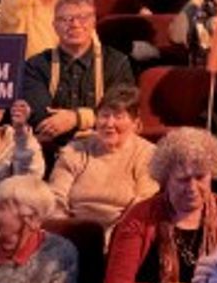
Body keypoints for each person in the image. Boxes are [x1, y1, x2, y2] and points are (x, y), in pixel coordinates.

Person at [104, 128, 217, 283]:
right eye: (182, 179)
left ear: (212, 174)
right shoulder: (139, 216)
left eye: (200, 177)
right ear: (166, 179)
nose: (192, 188)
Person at [21, 0, 137, 163]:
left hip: (107, 154)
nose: (74, 24)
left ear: (93, 22)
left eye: (82, 18)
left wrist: (76, 118)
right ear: (54, 26)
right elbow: (42, 120)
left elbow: (120, 113)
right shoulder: (35, 66)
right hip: (52, 157)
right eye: (65, 19)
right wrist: (91, 123)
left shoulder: (117, 63)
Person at [46, 85, 157, 224]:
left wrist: (115, 234)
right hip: (75, 230)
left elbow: (143, 203)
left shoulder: (146, 153)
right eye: (104, 116)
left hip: (122, 230)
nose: (109, 124)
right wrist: (65, 232)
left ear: (135, 123)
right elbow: (56, 198)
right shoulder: (77, 149)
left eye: (118, 117)